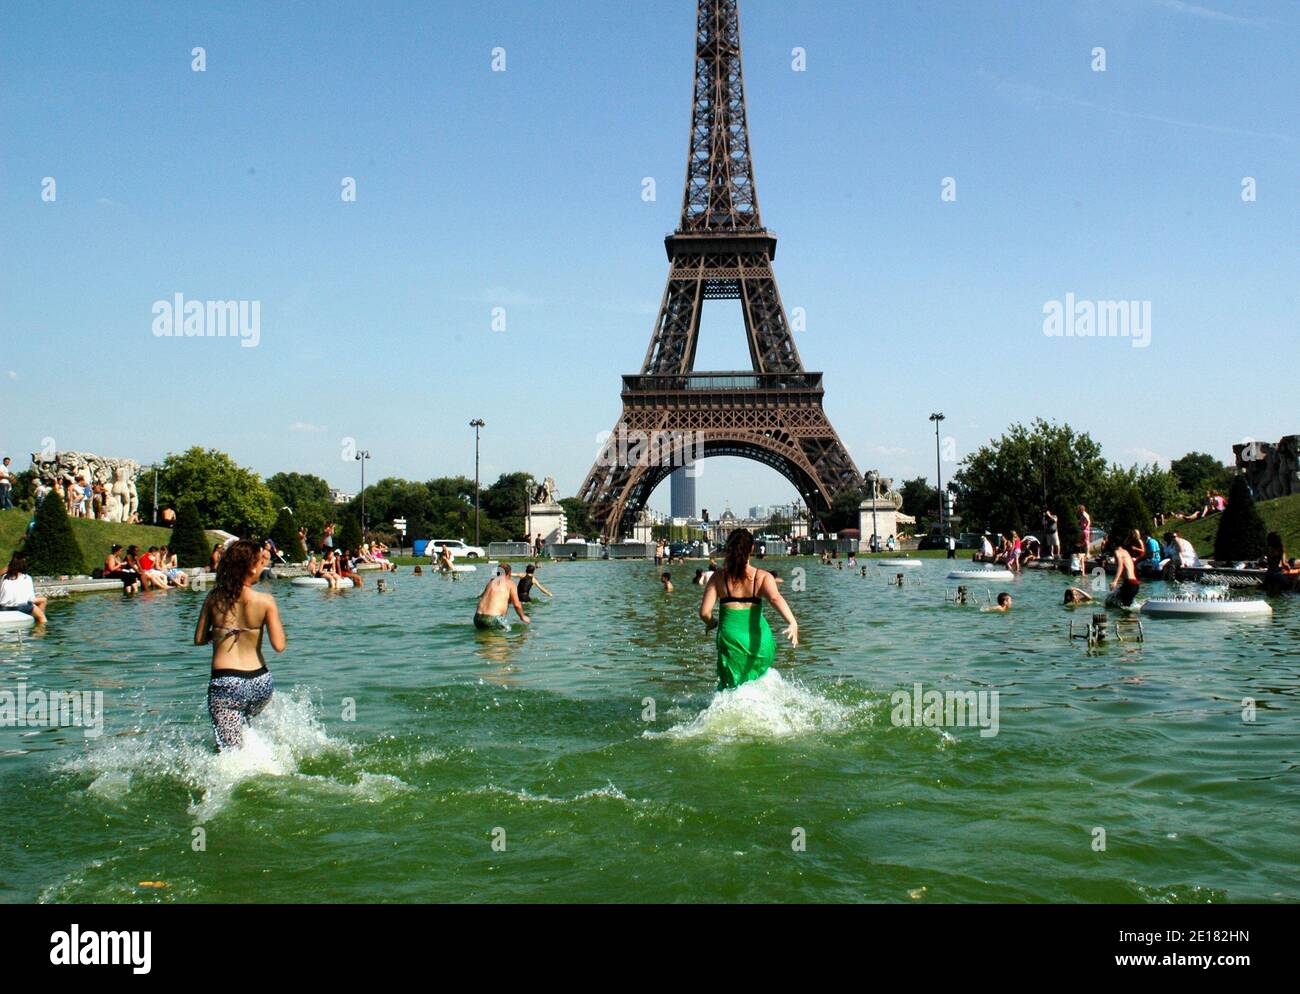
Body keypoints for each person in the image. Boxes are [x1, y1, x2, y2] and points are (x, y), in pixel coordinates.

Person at [194, 539, 285, 751]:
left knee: (229, 752)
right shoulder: (266, 601)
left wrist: (219, 633)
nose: (263, 566)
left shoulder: (213, 598)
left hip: (226, 683)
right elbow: (279, 645)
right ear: (251, 567)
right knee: (243, 727)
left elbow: (199, 639)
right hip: (260, 683)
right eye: (261, 561)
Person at [698, 528, 798, 690]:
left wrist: (711, 623)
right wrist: (792, 622)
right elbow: (775, 598)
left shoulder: (718, 577)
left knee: (731, 691)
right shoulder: (763, 577)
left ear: (728, 547)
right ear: (752, 549)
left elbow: (704, 613)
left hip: (731, 641)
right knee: (760, 686)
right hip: (759, 642)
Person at [473, 562, 529, 630]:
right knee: (517, 633)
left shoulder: (491, 582)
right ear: (510, 573)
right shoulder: (511, 584)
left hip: (477, 618)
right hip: (493, 618)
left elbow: (481, 597)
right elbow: (517, 605)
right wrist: (523, 616)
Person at [0, 553, 47, 624]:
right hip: (21, 608)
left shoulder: (4, 577)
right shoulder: (27, 578)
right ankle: (38, 626)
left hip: (3, 608)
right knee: (42, 616)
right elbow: (31, 599)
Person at [1105, 532, 1140, 609]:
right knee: (1110, 601)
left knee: (1124, 609)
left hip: (1130, 584)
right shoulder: (1125, 552)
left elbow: (1120, 567)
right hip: (1133, 584)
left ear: (1113, 543)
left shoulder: (1117, 552)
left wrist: (1115, 581)